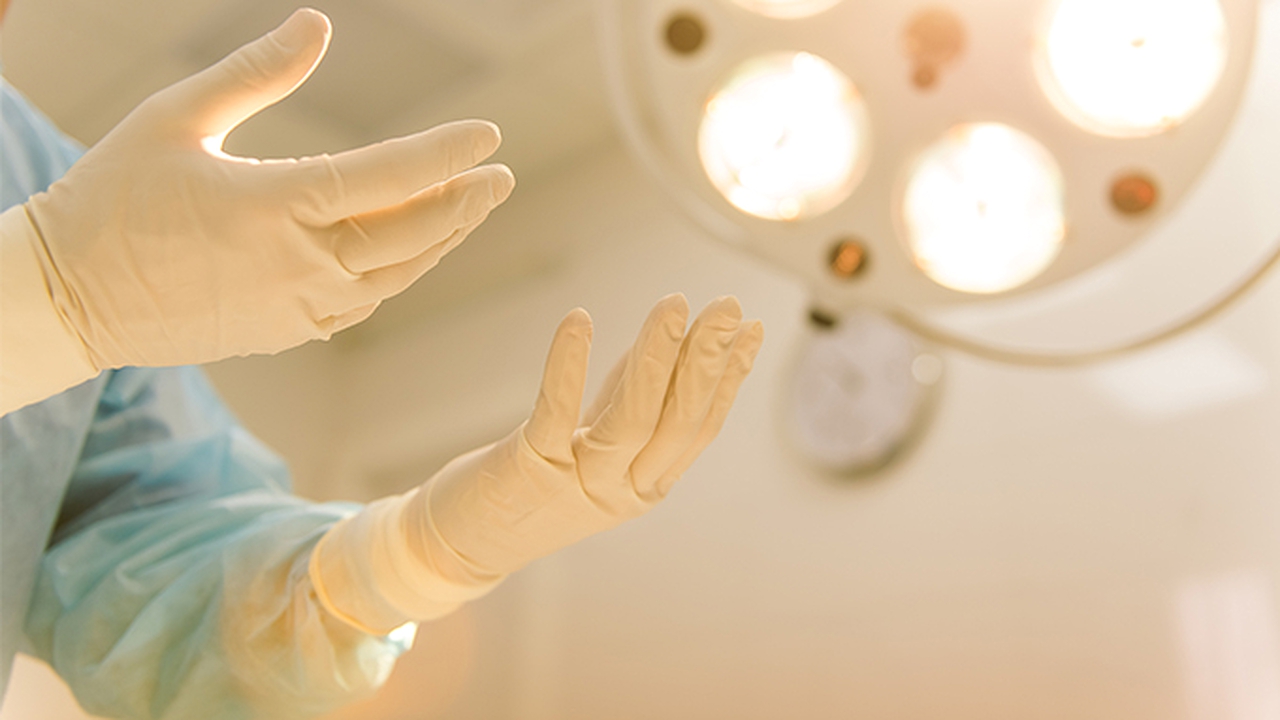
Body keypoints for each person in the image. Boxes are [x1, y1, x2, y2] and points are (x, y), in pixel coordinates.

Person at [0, 5, 764, 720]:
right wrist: (43, 295)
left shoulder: (39, 172)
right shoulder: (67, 221)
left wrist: (403, 560)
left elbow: (157, 580)